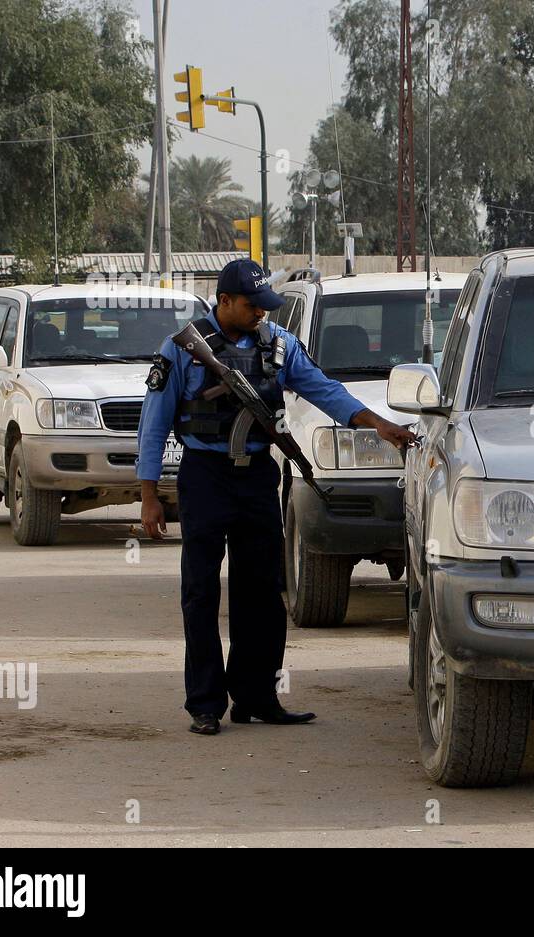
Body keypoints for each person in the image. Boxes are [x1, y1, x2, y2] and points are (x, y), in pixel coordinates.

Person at [136, 259, 416, 736]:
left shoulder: (279, 346)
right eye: (251, 306)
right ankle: (204, 703)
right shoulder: (184, 348)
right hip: (204, 476)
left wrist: (378, 425)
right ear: (224, 301)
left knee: (262, 591)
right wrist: (148, 494)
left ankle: (257, 695)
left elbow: (325, 391)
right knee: (201, 591)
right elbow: (154, 421)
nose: (261, 315)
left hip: (256, 477)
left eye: (266, 306)